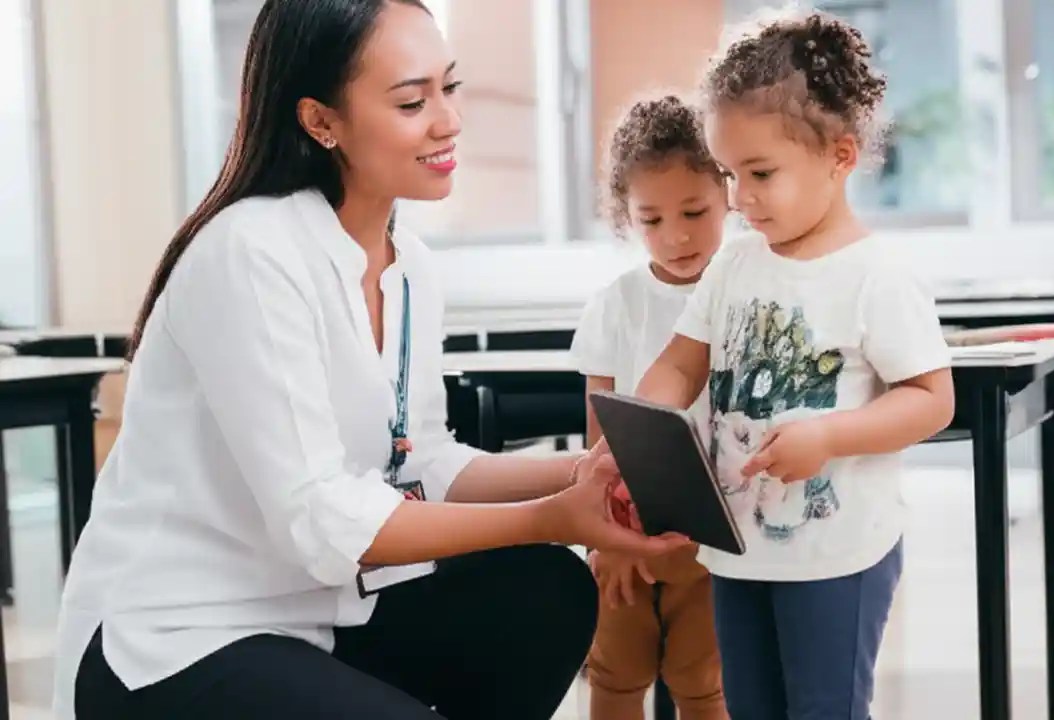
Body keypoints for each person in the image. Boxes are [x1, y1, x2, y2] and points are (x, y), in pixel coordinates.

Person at [53, 2, 685, 718]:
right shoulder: (250, 255)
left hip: (319, 619)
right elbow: (323, 519)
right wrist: (551, 515)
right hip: (175, 638)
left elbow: (419, 460)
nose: (447, 120)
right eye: (413, 101)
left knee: (548, 590)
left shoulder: (409, 266)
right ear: (322, 121)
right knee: (542, 551)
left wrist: (584, 472)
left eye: (451, 88)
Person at [613, 11, 956, 720]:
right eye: (730, 175)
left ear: (839, 156)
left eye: (761, 173)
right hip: (736, 552)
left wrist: (829, 438)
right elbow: (681, 365)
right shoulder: (735, 264)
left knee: (825, 709)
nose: (740, 199)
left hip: (836, 556)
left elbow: (930, 398)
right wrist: (647, 426)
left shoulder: (875, 275)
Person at [570, 95, 730, 720]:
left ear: (728, 194)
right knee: (614, 675)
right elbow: (597, 434)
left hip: (716, 534)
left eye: (695, 211)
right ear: (625, 217)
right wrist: (605, 541)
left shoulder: (743, 291)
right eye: (652, 219)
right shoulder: (615, 304)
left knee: (702, 680)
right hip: (622, 528)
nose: (678, 235)